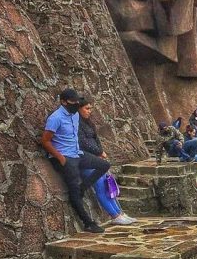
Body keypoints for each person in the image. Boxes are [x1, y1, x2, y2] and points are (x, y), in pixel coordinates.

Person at [41, 88, 110, 233]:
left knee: (104, 165)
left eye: (78, 102)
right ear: (63, 102)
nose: (76, 104)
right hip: (64, 157)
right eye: (73, 102)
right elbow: (45, 141)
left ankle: (82, 189)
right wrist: (61, 158)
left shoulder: (75, 115)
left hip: (77, 153)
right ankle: (88, 223)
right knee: (73, 188)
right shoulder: (56, 118)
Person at [77, 97, 137, 226]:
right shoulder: (76, 123)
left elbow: (95, 139)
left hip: (97, 160)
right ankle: (114, 215)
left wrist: (100, 151)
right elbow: (82, 142)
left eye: (90, 108)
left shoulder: (88, 123)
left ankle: (119, 212)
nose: (89, 111)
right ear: (78, 108)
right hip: (87, 161)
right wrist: (98, 152)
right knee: (100, 186)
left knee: (107, 186)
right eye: (87, 108)